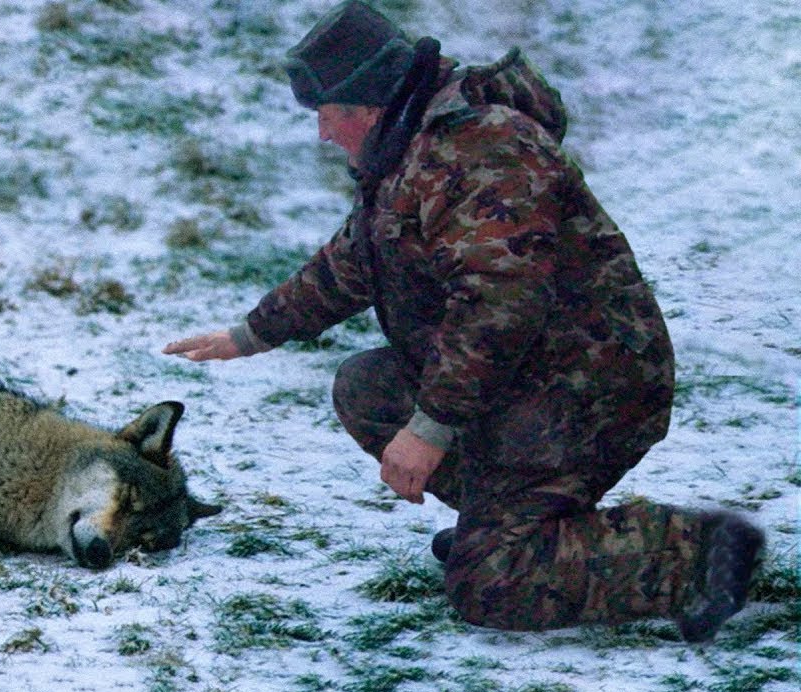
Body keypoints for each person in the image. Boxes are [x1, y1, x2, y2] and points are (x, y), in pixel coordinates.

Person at [162, 0, 763, 641]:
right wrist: (250, 335)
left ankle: (697, 552)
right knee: (367, 388)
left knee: (490, 587)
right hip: (524, 380)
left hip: (585, 390)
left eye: (329, 116)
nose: (323, 135)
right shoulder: (408, 151)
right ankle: (508, 525)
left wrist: (431, 427)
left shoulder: (485, 152)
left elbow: (499, 304)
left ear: (367, 105)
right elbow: (352, 263)